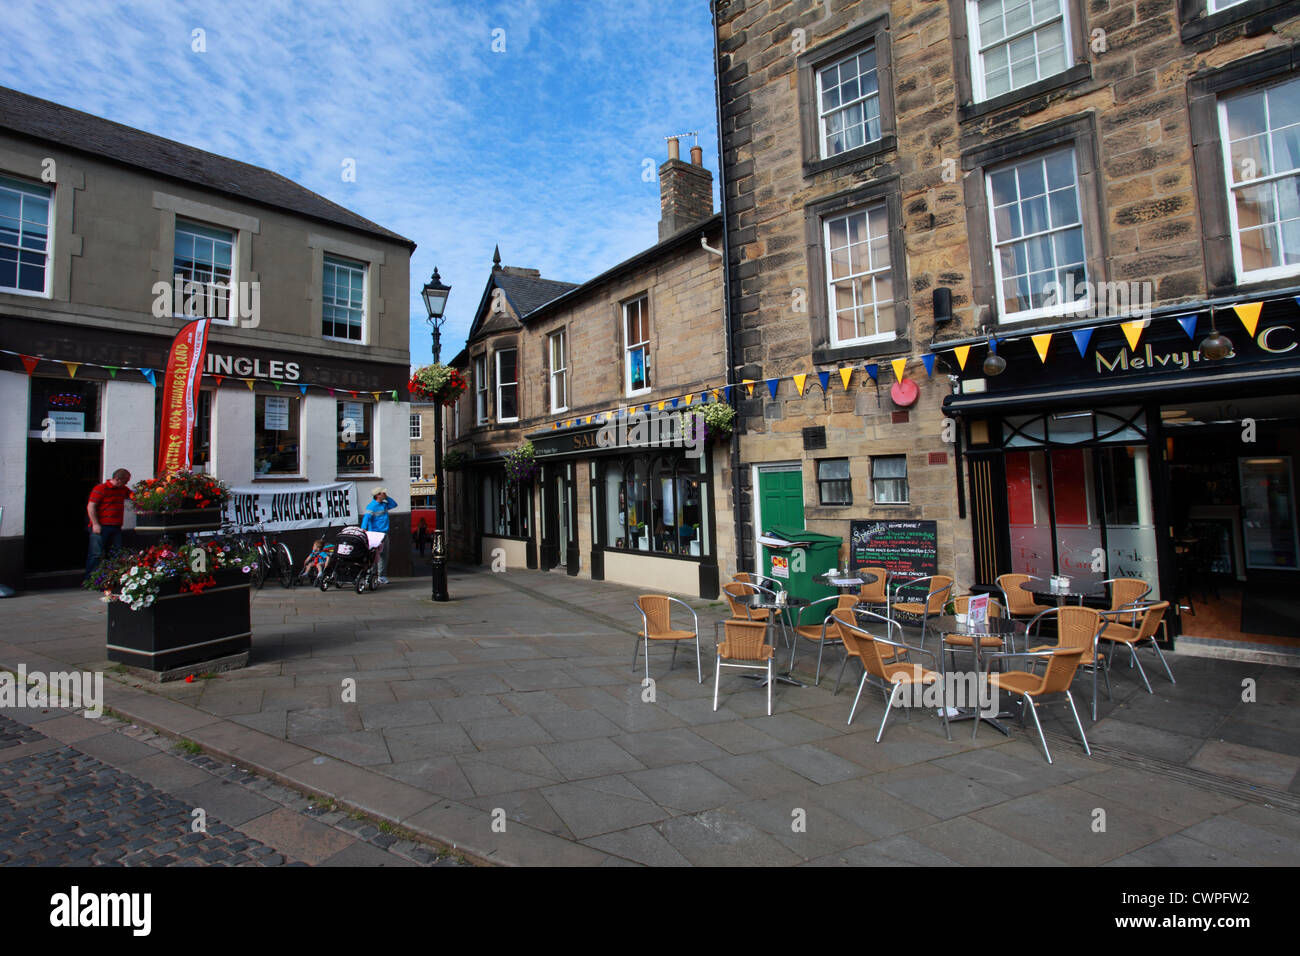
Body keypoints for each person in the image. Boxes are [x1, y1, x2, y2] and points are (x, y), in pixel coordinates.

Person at [85, 468, 131, 580]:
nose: (126, 484)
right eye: (125, 481)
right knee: (96, 554)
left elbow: (133, 496)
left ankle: (110, 579)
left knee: (116, 553)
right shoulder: (101, 488)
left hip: (116, 526)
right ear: (117, 479)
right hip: (102, 526)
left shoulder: (122, 489)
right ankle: (91, 580)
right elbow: (91, 506)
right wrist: (95, 524)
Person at [361, 486, 398, 584]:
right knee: (373, 556)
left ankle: (381, 576)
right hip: (374, 534)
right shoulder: (372, 506)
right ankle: (371, 575)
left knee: (384, 555)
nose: (385, 494)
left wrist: (387, 497)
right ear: (377, 495)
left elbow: (394, 504)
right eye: (383, 493)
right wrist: (363, 529)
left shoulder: (384, 504)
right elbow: (366, 518)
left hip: (384, 534)